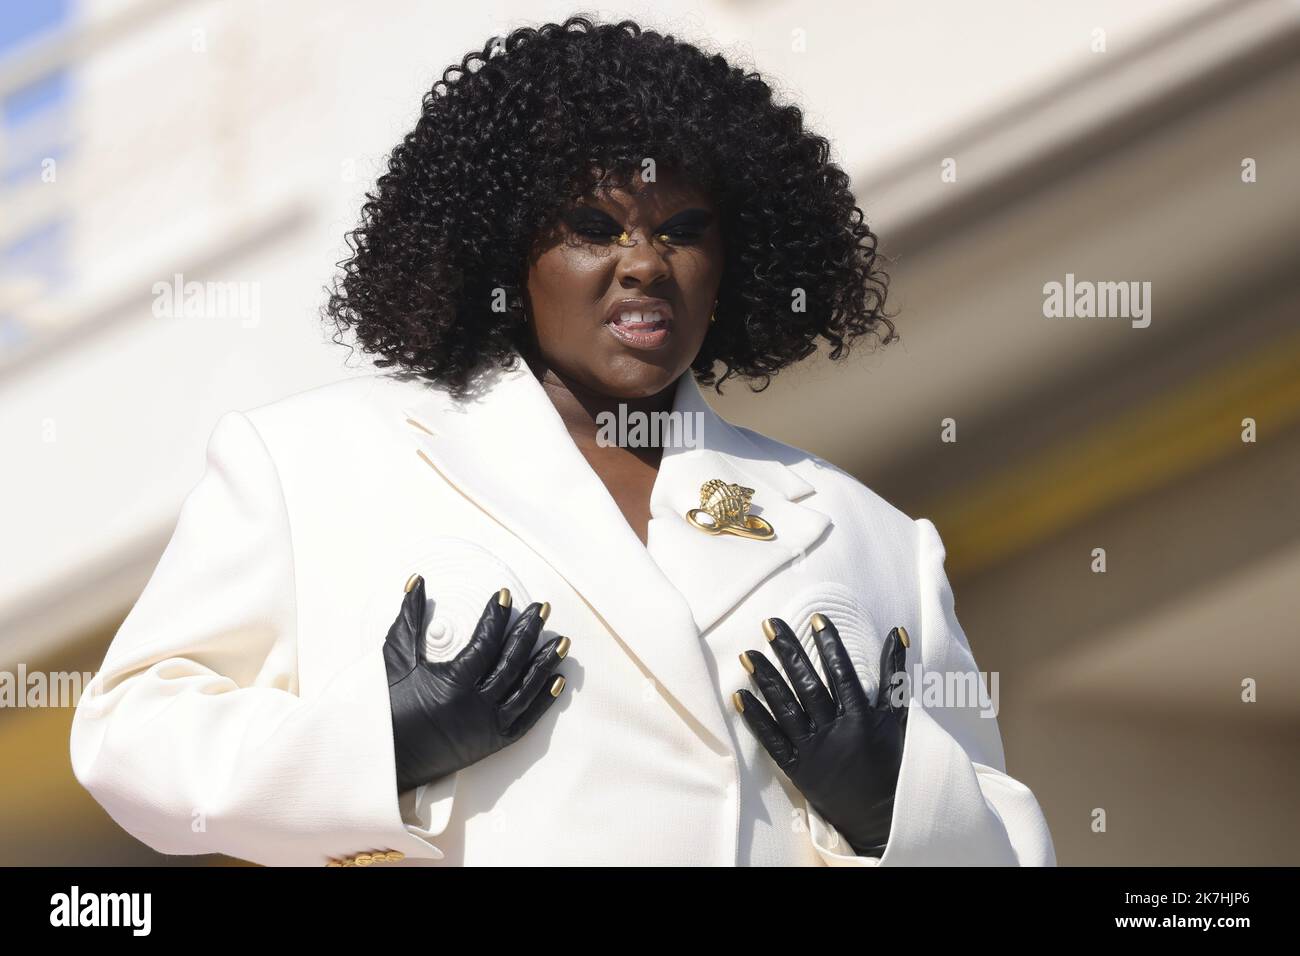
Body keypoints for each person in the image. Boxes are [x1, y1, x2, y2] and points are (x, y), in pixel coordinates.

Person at [69, 16, 1055, 866]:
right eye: (594, 224)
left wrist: (896, 801)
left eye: (683, 228)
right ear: (507, 250)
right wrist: (380, 739)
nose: (643, 264)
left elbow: (1011, 842)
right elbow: (130, 738)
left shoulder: (868, 533)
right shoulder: (312, 462)